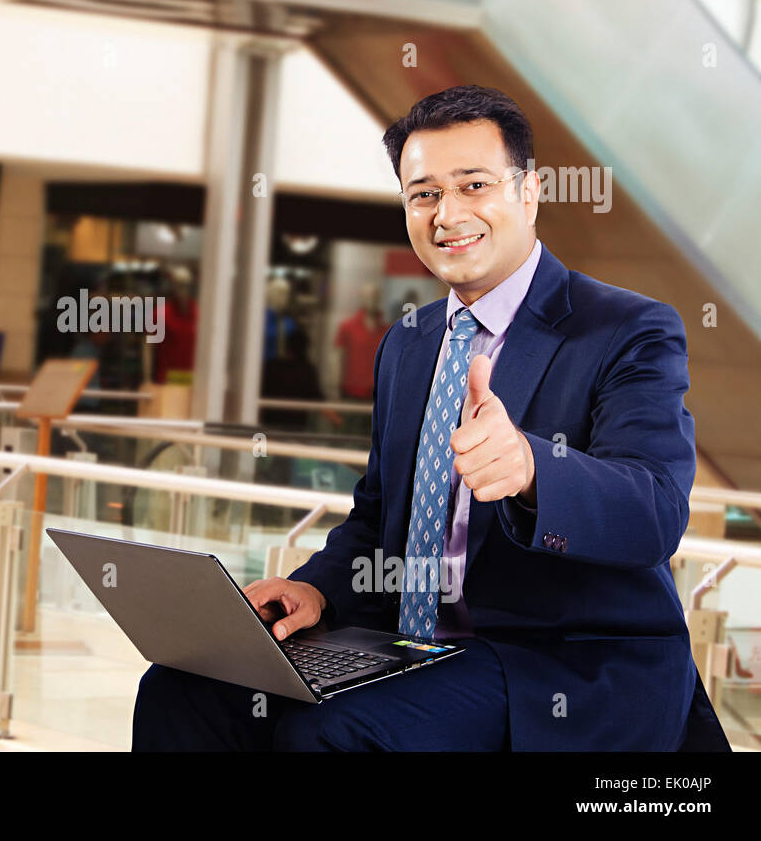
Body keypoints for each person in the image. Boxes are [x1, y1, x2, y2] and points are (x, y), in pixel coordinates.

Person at [133, 84, 729, 751]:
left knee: (334, 733)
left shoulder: (626, 329)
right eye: (424, 194)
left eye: (475, 185)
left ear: (528, 194)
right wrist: (315, 591)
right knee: (178, 688)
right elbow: (375, 517)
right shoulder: (409, 343)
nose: (448, 213)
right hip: (411, 647)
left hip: (556, 665)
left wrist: (536, 468)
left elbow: (655, 512)